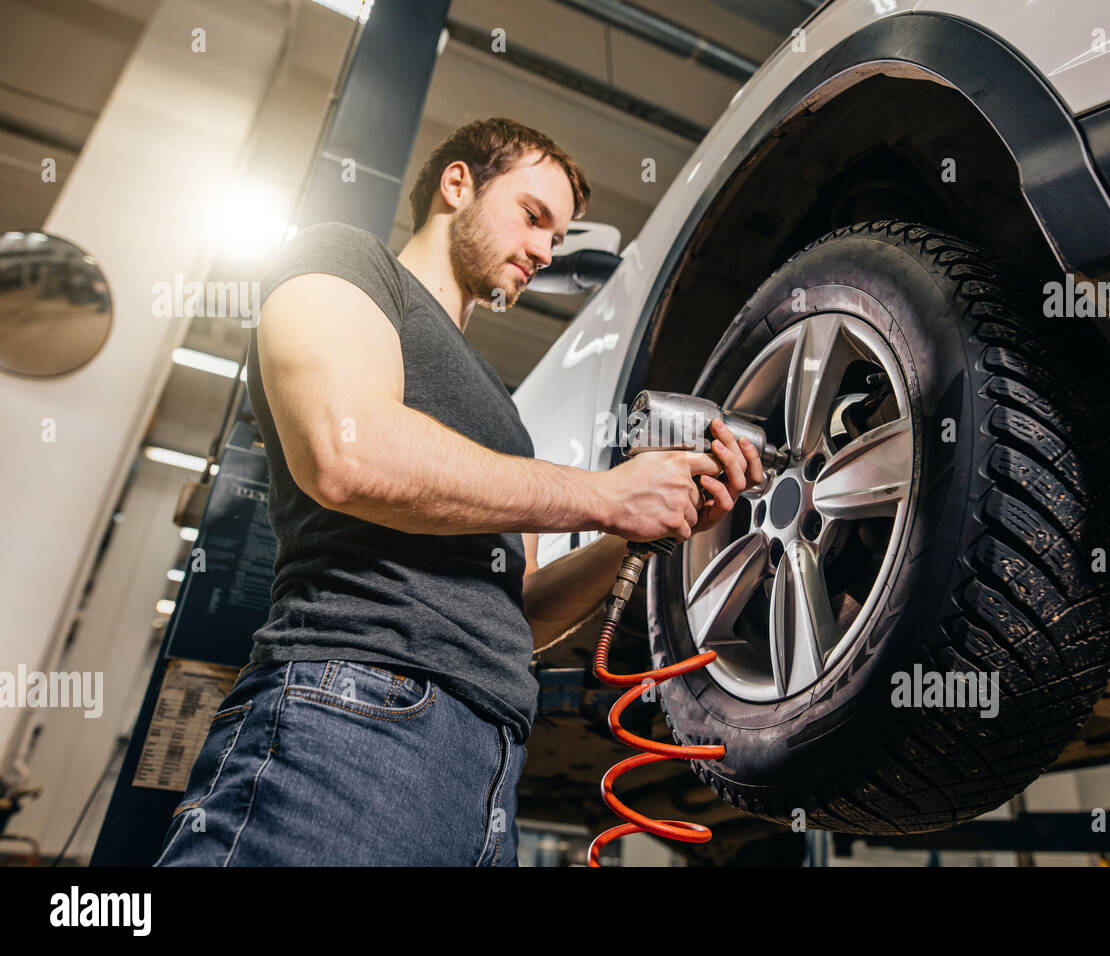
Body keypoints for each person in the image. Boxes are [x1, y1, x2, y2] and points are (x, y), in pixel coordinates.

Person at [155, 117, 764, 866]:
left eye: (556, 236)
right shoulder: (341, 260)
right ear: (457, 184)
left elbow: (524, 611)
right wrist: (606, 494)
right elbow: (345, 452)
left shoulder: (502, 412)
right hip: (353, 713)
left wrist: (632, 534)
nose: (545, 251)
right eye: (534, 217)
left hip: (489, 760)